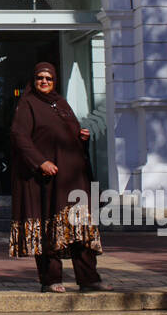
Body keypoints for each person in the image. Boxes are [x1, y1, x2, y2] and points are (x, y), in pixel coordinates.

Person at [9, 61, 104, 293]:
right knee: (49, 229)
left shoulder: (61, 103)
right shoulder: (27, 104)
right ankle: (51, 279)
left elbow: (65, 134)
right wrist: (40, 161)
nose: (44, 81)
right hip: (48, 182)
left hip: (73, 179)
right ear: (34, 79)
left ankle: (89, 279)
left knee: (81, 229)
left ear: (55, 81)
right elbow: (19, 136)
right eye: (40, 77)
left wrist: (81, 137)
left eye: (49, 78)